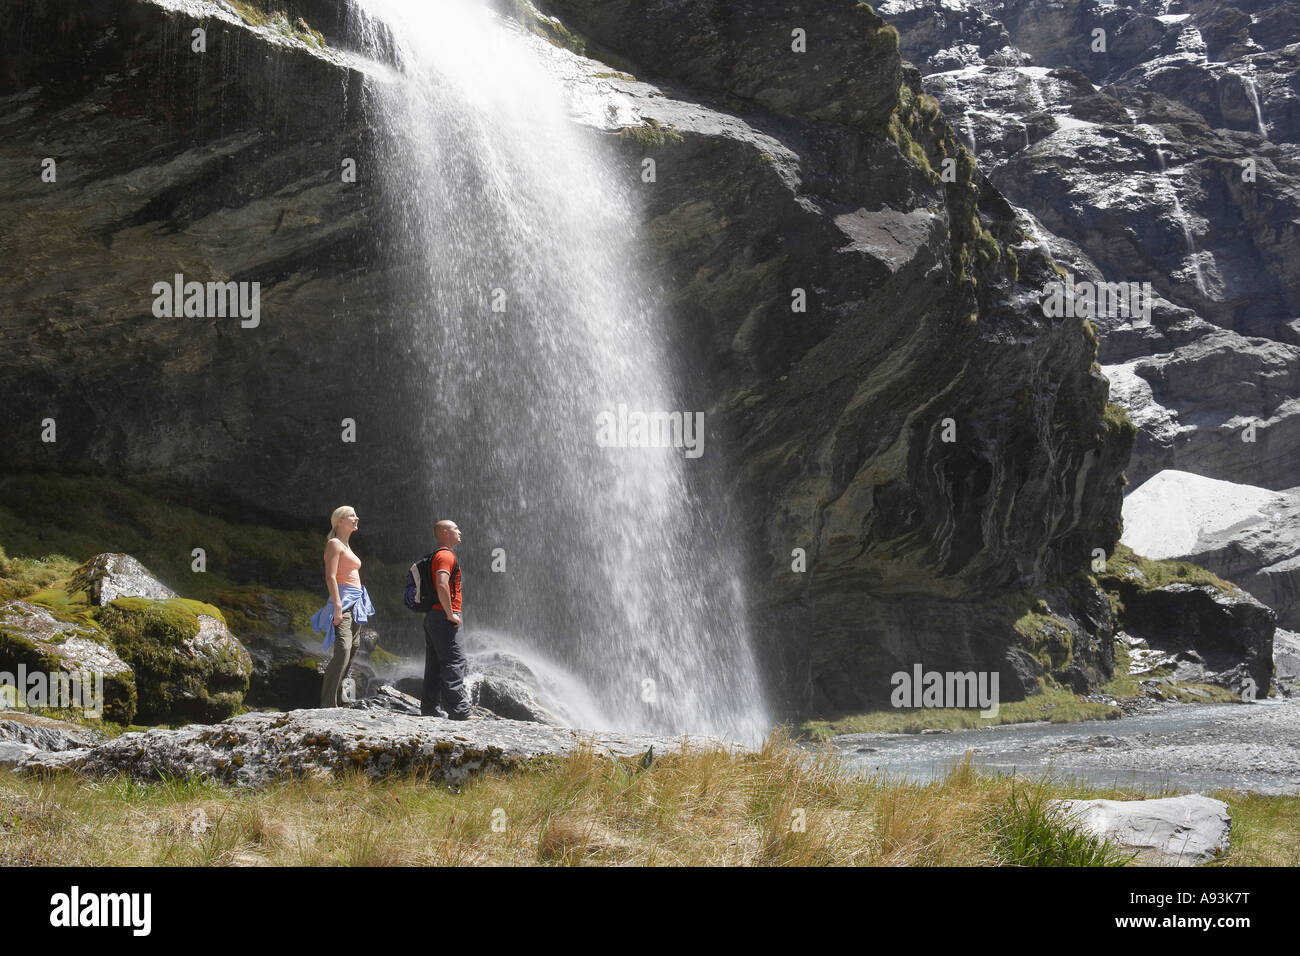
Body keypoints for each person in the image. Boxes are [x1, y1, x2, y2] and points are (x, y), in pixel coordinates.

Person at [311, 505, 375, 708]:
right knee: (344, 648)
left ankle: (341, 699)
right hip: (344, 602)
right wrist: (337, 606)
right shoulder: (334, 544)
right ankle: (328, 703)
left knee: (354, 647)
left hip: (357, 603)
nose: (357, 518)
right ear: (339, 520)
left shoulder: (347, 546)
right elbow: (330, 576)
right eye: (352, 516)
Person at [421, 518, 478, 720]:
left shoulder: (436, 556)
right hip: (444, 616)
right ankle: (459, 712)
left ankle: (429, 708)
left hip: (433, 616)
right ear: (444, 532)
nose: (460, 531)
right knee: (455, 661)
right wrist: (449, 613)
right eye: (455, 528)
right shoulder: (446, 556)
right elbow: (442, 584)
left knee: (435, 663)